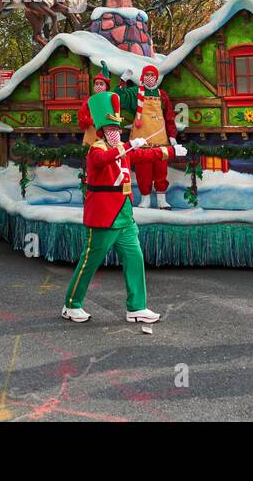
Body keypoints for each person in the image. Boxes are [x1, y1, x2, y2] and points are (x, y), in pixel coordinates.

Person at [61, 90, 181, 324]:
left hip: (124, 215)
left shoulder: (124, 151)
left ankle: (137, 307)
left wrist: (171, 150)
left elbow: (147, 155)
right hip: (104, 217)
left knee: (135, 259)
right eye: (110, 130)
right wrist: (125, 147)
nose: (115, 133)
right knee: (90, 263)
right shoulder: (97, 149)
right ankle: (71, 304)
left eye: (117, 130)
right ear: (101, 132)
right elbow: (101, 161)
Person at [116, 64, 179, 209]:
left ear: (156, 78)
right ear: (142, 77)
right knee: (143, 171)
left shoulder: (162, 95)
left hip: (160, 140)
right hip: (141, 140)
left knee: (161, 170)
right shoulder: (136, 92)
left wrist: (172, 135)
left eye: (152, 75)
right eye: (147, 75)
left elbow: (169, 116)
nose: (149, 78)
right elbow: (120, 96)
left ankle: (162, 200)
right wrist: (123, 81)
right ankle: (145, 199)